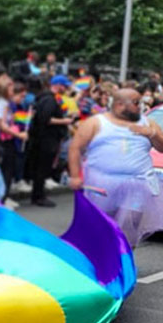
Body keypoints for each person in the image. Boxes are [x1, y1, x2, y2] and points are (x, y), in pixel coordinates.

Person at [69, 88, 163, 246]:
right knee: (101, 227)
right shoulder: (96, 123)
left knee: (129, 228)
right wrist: (75, 176)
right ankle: (103, 261)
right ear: (119, 105)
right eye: (136, 103)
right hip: (102, 186)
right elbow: (75, 148)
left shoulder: (148, 123)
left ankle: (124, 263)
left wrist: (152, 133)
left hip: (137, 185)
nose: (140, 106)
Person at [27, 75, 74, 208]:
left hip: (43, 138)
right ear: (58, 85)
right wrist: (65, 121)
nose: (65, 88)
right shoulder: (49, 100)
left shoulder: (45, 98)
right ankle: (38, 196)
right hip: (46, 139)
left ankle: (38, 194)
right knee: (42, 168)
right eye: (64, 86)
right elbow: (46, 119)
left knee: (41, 168)